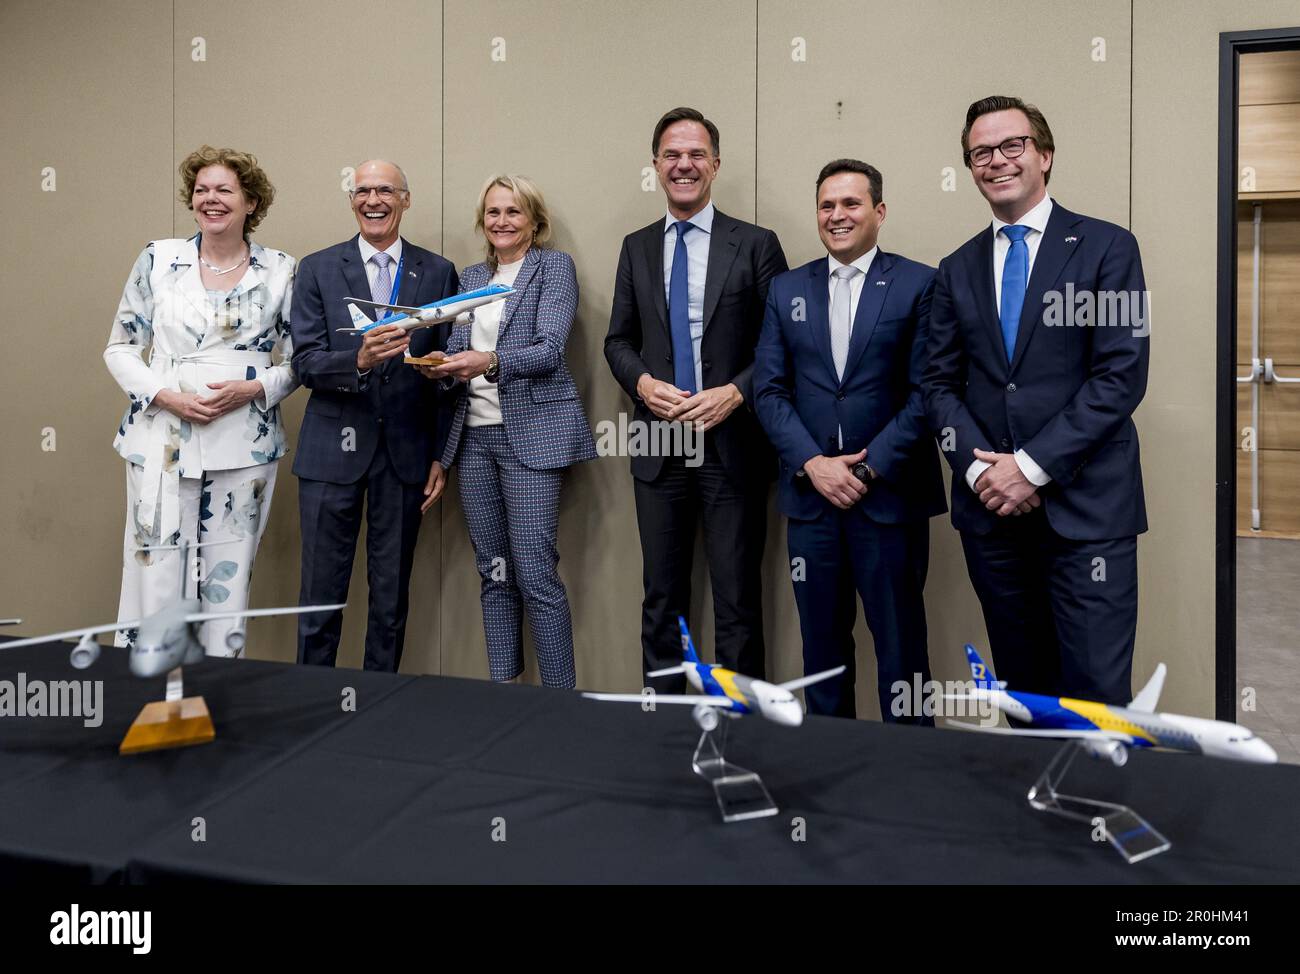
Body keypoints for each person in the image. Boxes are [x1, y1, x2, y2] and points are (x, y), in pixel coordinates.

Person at [924, 96, 1149, 704]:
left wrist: (1028, 468)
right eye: (980, 153)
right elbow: (938, 385)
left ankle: (1099, 803)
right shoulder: (955, 269)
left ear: (1044, 156)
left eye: (1011, 146)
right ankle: (1037, 801)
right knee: (1024, 690)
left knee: (1095, 692)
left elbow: (1120, 376)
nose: (996, 161)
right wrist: (981, 472)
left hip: (1087, 514)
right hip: (993, 516)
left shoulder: (1108, 247)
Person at [754, 159, 945, 720]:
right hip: (813, 504)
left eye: (850, 204)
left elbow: (929, 392)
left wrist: (865, 470)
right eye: (826, 206)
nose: (837, 216)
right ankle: (831, 775)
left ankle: (910, 775)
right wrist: (815, 463)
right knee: (823, 653)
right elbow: (768, 391)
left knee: (902, 652)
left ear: (879, 212)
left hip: (889, 502)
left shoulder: (919, 283)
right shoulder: (786, 288)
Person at [605, 107, 787, 692]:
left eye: (695, 155)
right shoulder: (635, 247)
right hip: (658, 440)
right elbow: (618, 340)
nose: (683, 165)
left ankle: (739, 729)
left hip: (733, 443)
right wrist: (642, 384)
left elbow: (781, 343)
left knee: (736, 597)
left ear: (715, 164)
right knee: (662, 595)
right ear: (656, 165)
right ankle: (666, 725)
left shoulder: (757, 245)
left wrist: (735, 392)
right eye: (671, 155)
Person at [105, 145, 297, 655]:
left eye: (224, 190)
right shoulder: (158, 257)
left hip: (245, 443)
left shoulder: (281, 269)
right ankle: (155, 695)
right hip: (161, 439)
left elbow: (301, 360)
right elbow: (120, 347)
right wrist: (165, 395)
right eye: (201, 190)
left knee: (227, 578)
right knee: (156, 568)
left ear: (251, 202)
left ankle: (216, 694)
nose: (211, 199)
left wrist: (256, 388)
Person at [420, 175, 596, 688]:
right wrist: (439, 363)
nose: (502, 221)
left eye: (513, 213)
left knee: (536, 575)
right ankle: (506, 695)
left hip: (533, 440)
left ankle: (560, 699)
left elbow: (548, 349)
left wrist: (489, 359)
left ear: (534, 223)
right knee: (493, 573)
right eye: (493, 213)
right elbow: (456, 347)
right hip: (472, 442)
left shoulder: (553, 268)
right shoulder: (472, 276)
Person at [290, 159, 459, 673]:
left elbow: (450, 375)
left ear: (406, 200)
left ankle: (375, 713)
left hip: (405, 457)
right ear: (351, 200)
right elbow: (304, 361)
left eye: (386, 190)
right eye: (362, 190)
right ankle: (312, 705)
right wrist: (358, 361)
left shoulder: (438, 272)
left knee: (390, 602)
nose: (373, 200)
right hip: (329, 456)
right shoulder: (318, 268)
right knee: (320, 599)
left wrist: (438, 455)